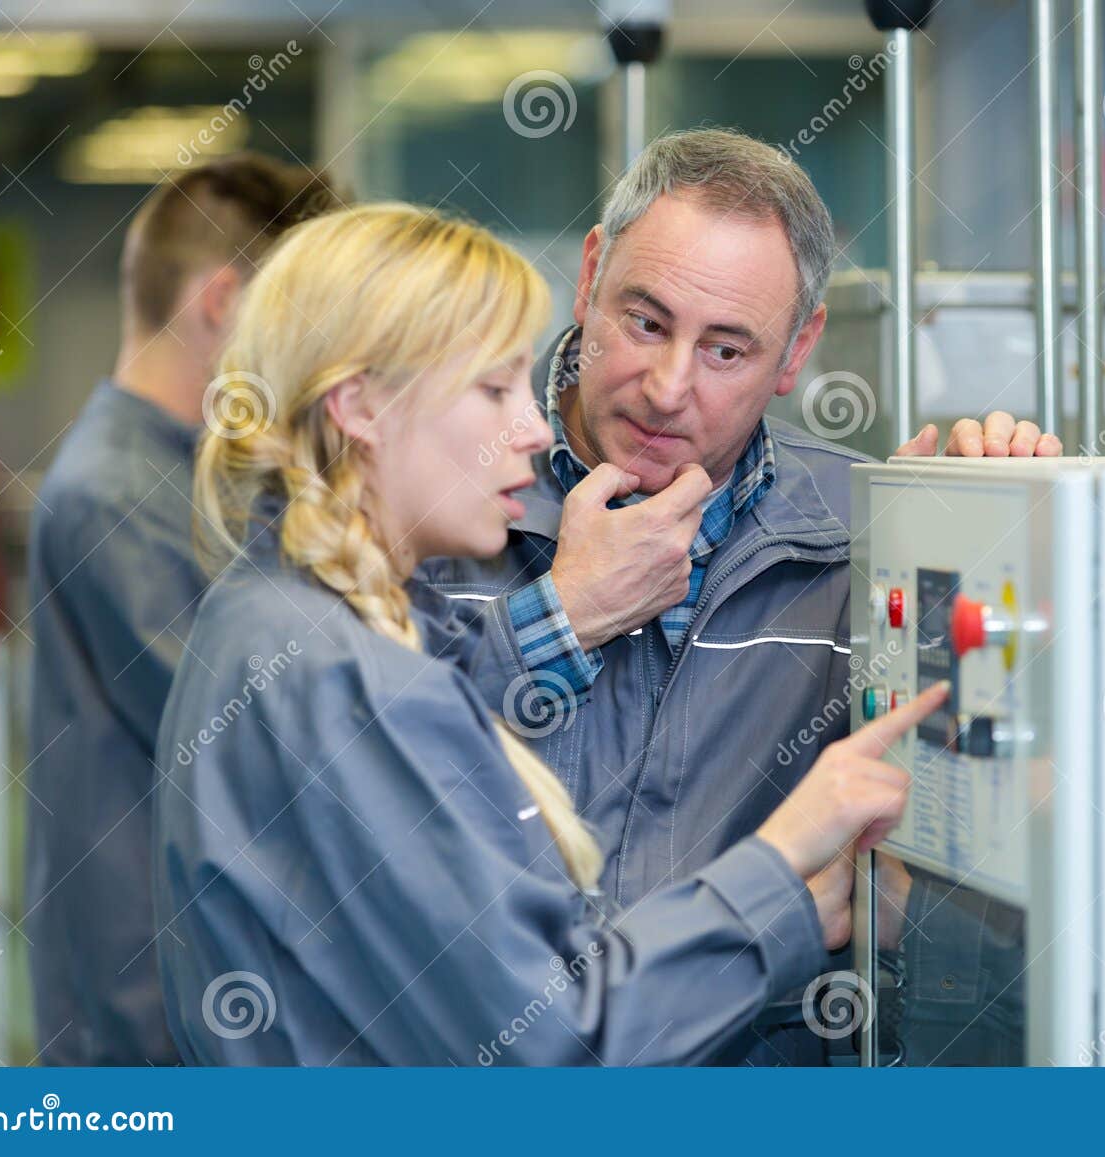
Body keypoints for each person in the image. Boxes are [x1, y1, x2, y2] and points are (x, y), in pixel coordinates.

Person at [153, 202, 949, 1065]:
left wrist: (978, 528)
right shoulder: (334, 665)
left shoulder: (268, 615)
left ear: (797, 350)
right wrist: (785, 868)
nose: (529, 427)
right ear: (360, 407)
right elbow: (556, 1035)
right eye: (494, 389)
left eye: (727, 347)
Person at [410, 128, 1058, 1062]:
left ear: (797, 352)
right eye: (645, 321)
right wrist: (556, 619)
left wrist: (996, 558)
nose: (668, 388)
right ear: (591, 274)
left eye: (726, 351)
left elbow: (982, 907)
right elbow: (341, 807)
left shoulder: (860, 538)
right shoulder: (441, 500)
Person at [24, 154, 343, 1065]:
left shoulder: (181, 475)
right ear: (223, 303)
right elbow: (253, 745)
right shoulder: (117, 493)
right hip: (145, 1012)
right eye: (297, 318)